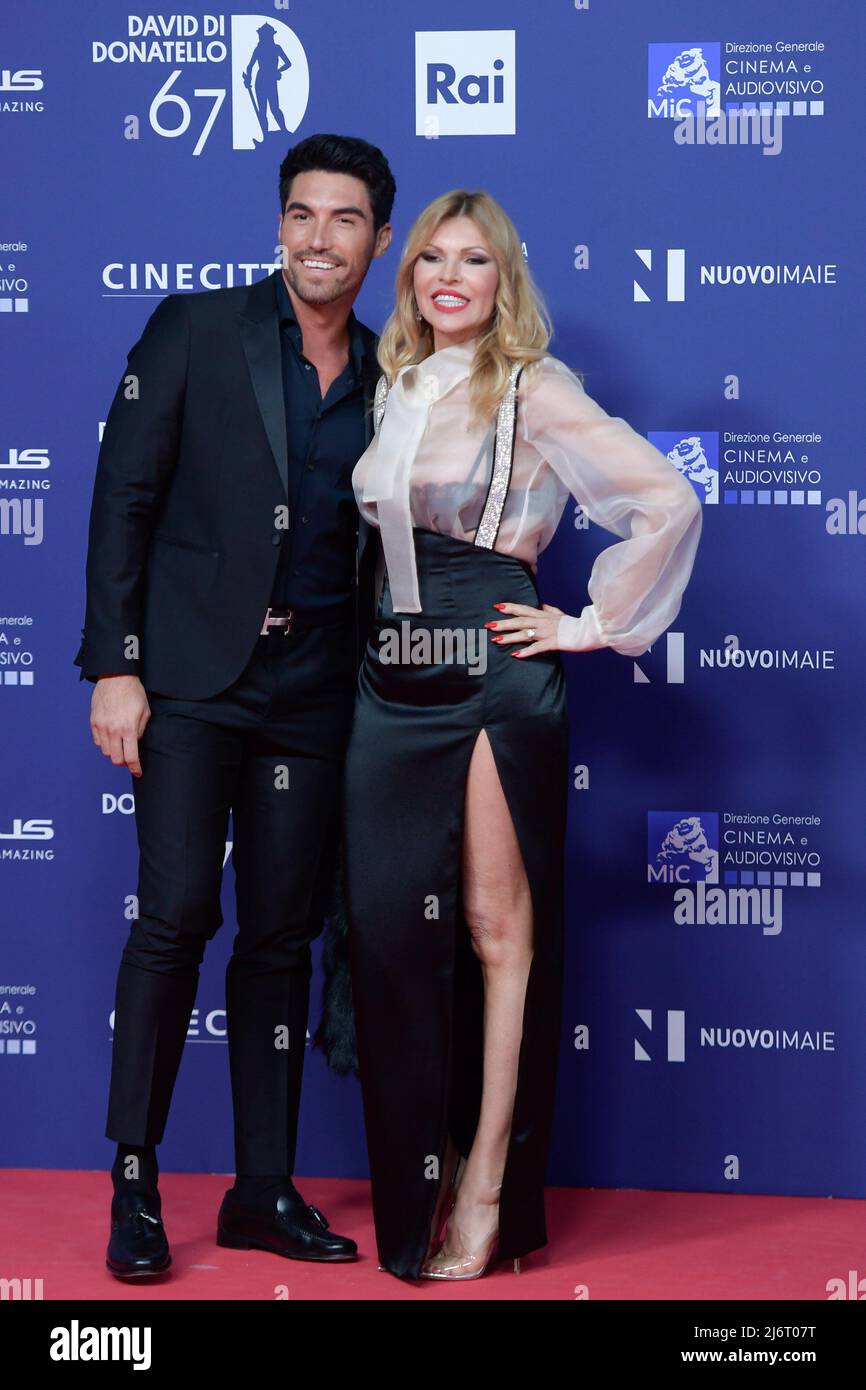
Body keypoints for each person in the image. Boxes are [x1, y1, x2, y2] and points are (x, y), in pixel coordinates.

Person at [338, 188, 702, 1282]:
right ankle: (426, 1168)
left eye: (473, 260)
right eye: (430, 259)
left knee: (497, 931)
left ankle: (487, 1179)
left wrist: (584, 624)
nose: (448, 277)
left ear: (504, 282)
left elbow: (666, 500)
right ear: (409, 277)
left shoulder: (533, 387)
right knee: (395, 933)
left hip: (491, 672)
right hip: (391, 671)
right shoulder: (394, 387)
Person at [74, 134, 394, 1277]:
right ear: (279, 225)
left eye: (343, 219)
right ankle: (134, 1179)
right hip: (190, 682)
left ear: (377, 239)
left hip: (311, 689)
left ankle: (262, 1188)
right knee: (173, 918)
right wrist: (115, 664)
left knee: (278, 940)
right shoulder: (195, 329)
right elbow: (122, 497)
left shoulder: (388, 375)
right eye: (301, 214)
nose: (318, 237)